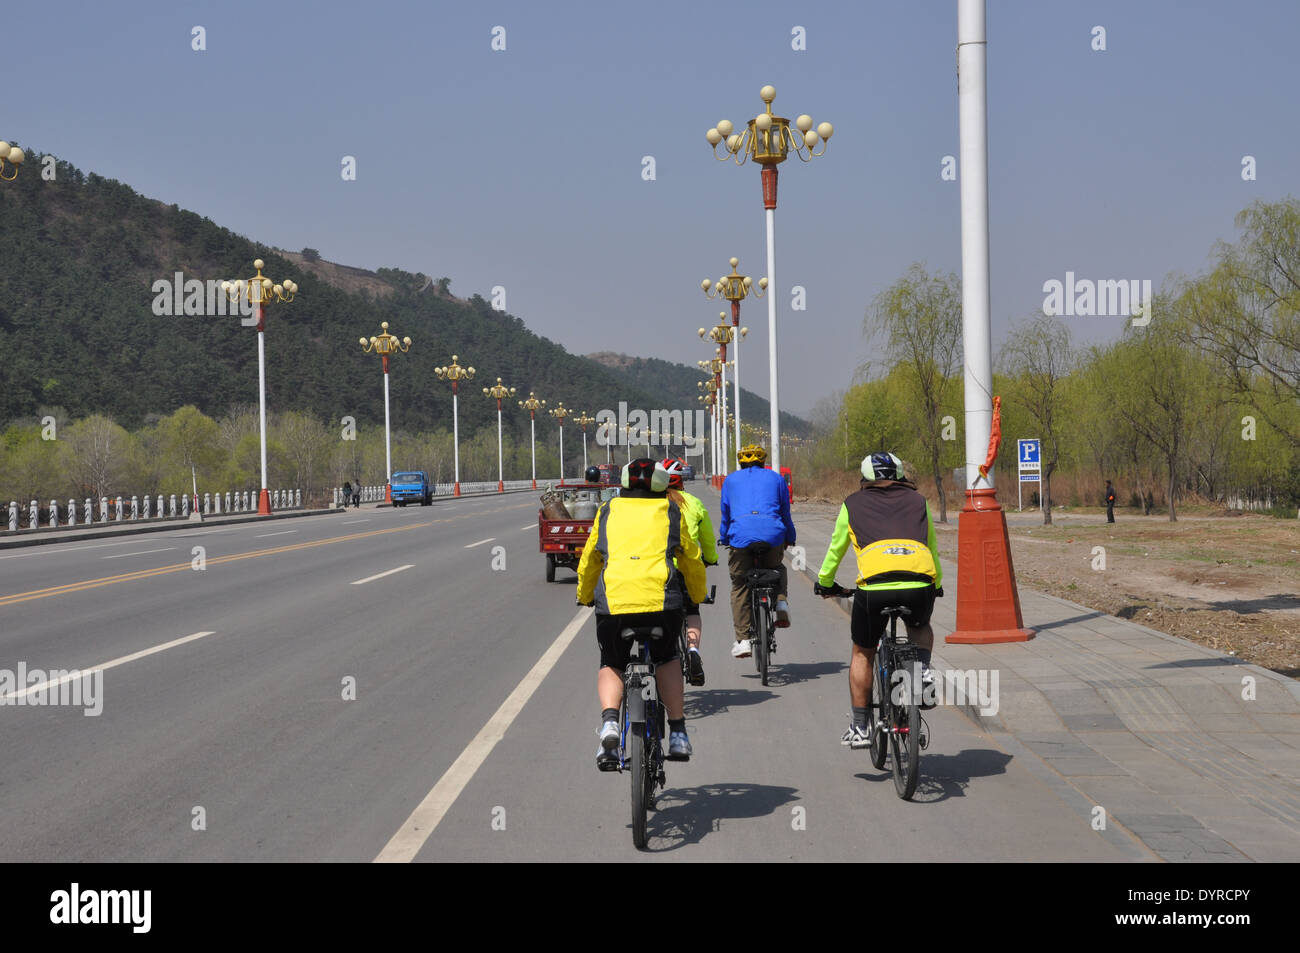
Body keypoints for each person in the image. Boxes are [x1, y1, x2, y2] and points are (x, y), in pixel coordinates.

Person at [577, 458, 708, 770]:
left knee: (612, 661)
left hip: (615, 605)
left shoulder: (607, 511)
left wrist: (584, 595)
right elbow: (691, 559)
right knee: (667, 658)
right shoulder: (671, 512)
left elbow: (590, 559)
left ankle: (610, 722)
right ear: (663, 487)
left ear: (622, 485)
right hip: (663, 605)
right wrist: (698, 595)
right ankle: (677, 731)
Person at [813, 452, 942, 749]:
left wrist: (825, 583)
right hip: (919, 581)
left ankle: (860, 726)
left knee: (863, 652)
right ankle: (921, 671)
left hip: (874, 587)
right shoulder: (919, 501)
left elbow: (835, 549)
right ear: (898, 475)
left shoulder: (852, 504)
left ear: (866, 479)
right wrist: (937, 585)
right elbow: (931, 547)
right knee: (920, 626)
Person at [718, 443, 796, 659]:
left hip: (740, 536)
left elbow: (726, 513)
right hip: (772, 534)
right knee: (777, 567)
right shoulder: (777, 478)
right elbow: (785, 512)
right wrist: (790, 536)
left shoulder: (730, 480)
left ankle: (743, 640)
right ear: (763, 462)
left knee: (740, 583)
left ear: (741, 463)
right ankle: (780, 601)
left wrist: (725, 537)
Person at [662, 458, 718, 685]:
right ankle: (693, 650)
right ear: (681, 481)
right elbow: (707, 539)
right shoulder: (694, 503)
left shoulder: (649, 504)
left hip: (655, 571)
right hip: (685, 569)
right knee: (692, 608)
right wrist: (711, 559)